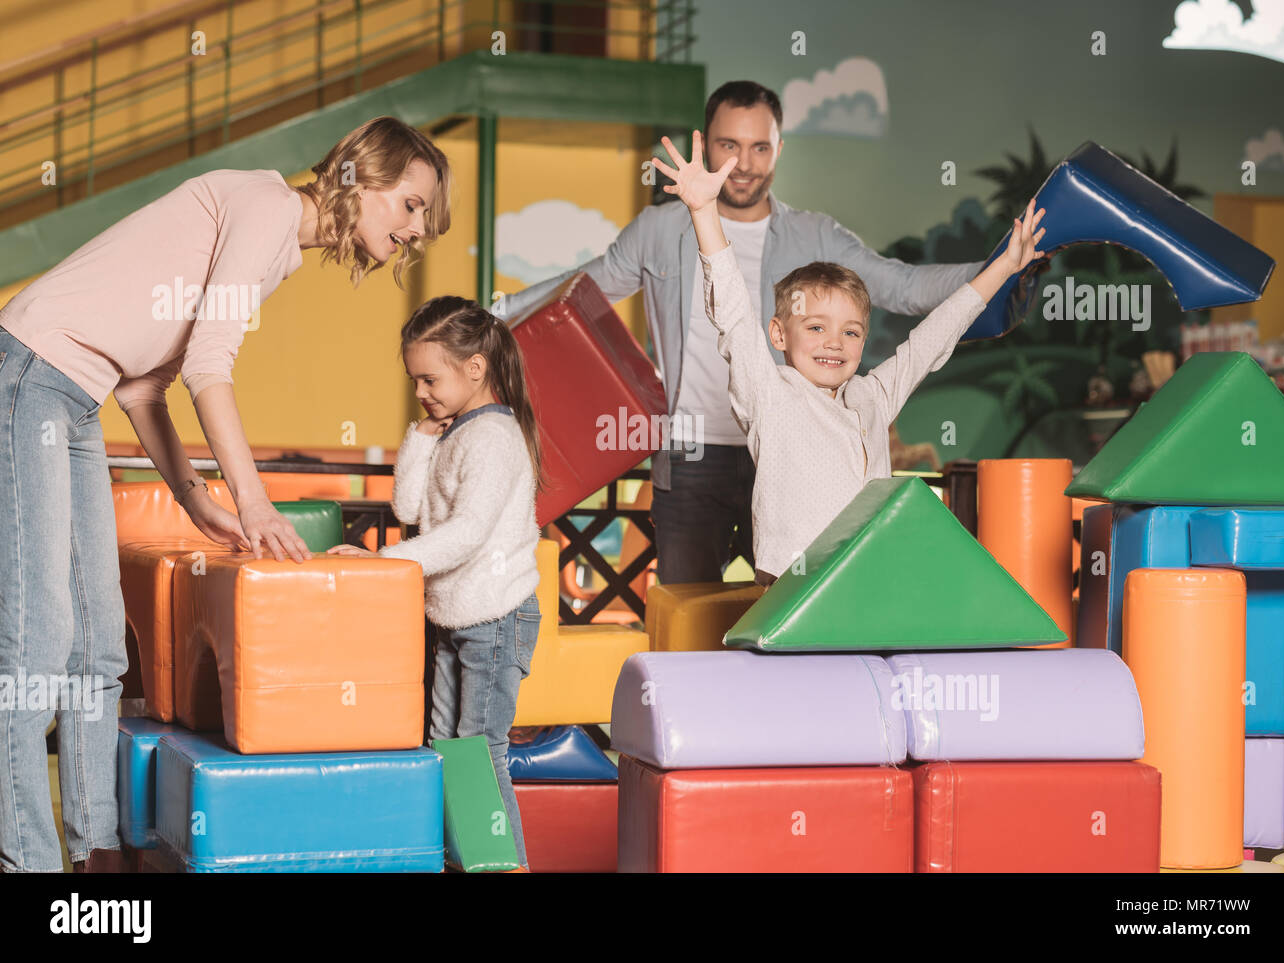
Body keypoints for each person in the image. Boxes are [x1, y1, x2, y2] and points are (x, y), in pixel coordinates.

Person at [0, 116, 451, 873]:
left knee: (101, 648)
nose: (418, 229)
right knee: (37, 644)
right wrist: (252, 502)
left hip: (78, 393)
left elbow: (146, 384)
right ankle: (31, 867)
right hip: (31, 375)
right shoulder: (266, 208)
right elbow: (212, 364)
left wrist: (191, 496)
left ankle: (99, 857)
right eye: (411, 204)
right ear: (364, 175)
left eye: (426, 218)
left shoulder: (278, 247)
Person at [490, 80, 982, 584]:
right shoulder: (659, 231)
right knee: (689, 623)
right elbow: (579, 289)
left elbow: (903, 286)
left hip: (785, 457)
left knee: (796, 608)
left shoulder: (817, 235)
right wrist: (490, 318)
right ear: (706, 142)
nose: (744, 163)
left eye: (760, 147)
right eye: (730, 145)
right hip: (691, 457)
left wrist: (1002, 273)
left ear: (779, 149)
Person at [652, 130, 1047, 586]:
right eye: (816, 327)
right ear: (779, 334)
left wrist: (1006, 267)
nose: (834, 342)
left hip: (868, 578)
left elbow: (933, 338)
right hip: (793, 585)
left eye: (851, 331)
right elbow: (734, 314)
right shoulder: (770, 393)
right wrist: (703, 211)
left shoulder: (871, 396)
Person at [328, 297, 543, 872]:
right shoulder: (455, 433)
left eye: (430, 379)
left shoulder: (494, 437)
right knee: (447, 748)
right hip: (453, 614)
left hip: (495, 616)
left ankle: (503, 865)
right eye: (414, 381)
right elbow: (408, 506)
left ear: (476, 368)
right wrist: (423, 434)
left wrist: (384, 562)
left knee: (480, 750)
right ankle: (467, 859)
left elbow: (468, 534)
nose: (421, 391)